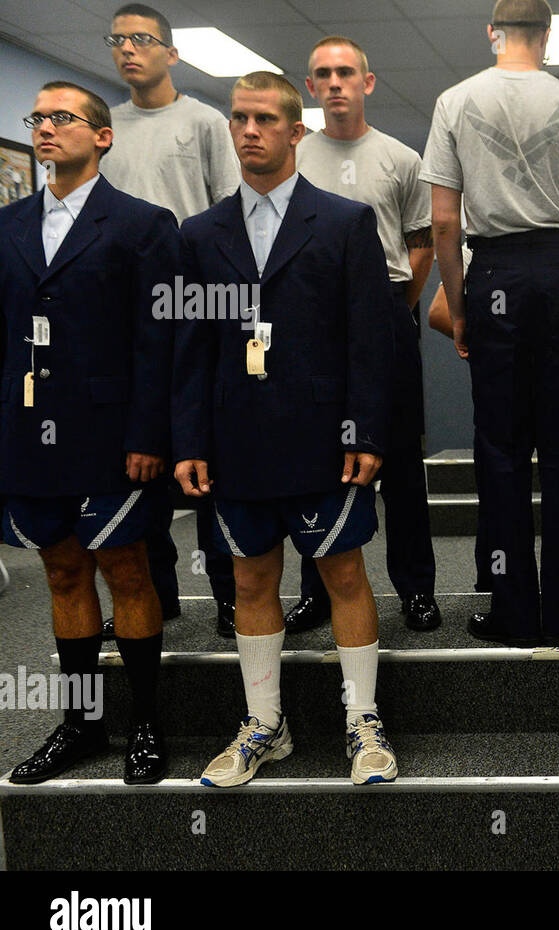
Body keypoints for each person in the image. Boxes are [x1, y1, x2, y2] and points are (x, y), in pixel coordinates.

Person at [173, 72, 397, 786]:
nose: (249, 130)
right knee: (250, 575)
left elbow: (371, 341)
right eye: (240, 118)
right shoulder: (199, 234)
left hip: (324, 437)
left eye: (266, 119)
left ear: (296, 131)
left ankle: (362, 720)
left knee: (343, 573)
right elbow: (192, 348)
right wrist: (189, 440)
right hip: (237, 438)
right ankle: (266, 723)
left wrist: (365, 431)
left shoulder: (343, 221)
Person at [422, 0, 559, 644]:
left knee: (501, 454)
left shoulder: (454, 101)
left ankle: (512, 611)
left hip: (496, 275)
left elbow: (445, 224)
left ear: (492, 34)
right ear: (548, 36)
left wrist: (459, 307)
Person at [1, 82, 178, 784]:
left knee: (125, 569)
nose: (46, 128)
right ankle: (80, 723)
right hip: (28, 431)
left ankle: (145, 720)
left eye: (61, 118)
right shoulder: (8, 226)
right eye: (37, 118)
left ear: (102, 136)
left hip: (113, 434)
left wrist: (149, 434)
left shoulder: (143, 225)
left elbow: (158, 341)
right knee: (62, 569)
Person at [288, 35, 441, 634]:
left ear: (367, 83)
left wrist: (390, 312)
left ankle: (416, 590)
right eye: (322, 73)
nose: (334, 83)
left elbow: (421, 246)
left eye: (345, 72)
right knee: (314, 462)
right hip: (310, 323)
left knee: (401, 462)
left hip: (386, 313)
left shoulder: (401, 159)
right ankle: (316, 594)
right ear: (310, 88)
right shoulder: (294, 158)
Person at [97, 3, 240, 640]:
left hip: (191, 299)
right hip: (121, 309)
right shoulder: (103, 127)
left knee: (199, 445)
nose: (129, 50)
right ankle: (157, 593)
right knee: (135, 451)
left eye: (142, 40)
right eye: (118, 40)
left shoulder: (204, 121)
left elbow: (228, 213)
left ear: (170, 53)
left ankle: (229, 597)